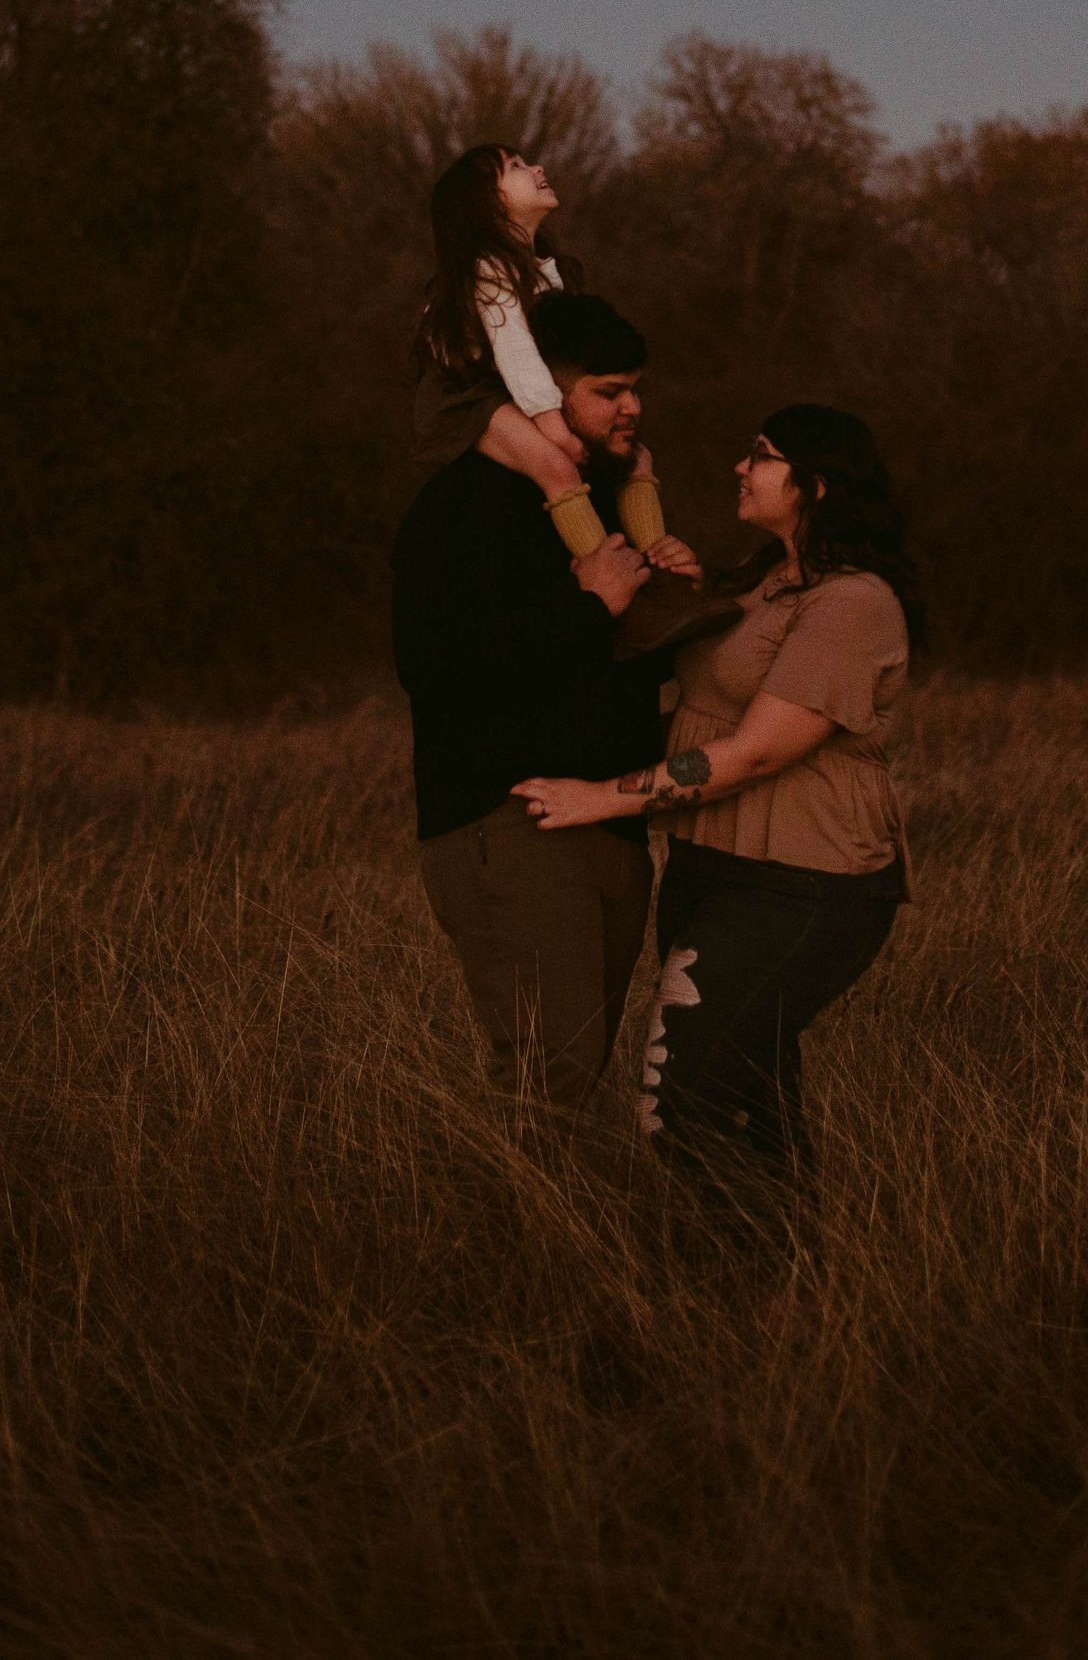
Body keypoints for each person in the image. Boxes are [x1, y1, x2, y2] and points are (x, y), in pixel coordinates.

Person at [513, 404, 921, 1190]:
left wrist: (601, 797)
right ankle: (784, 1261)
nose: (741, 467)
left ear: (817, 485)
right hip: (712, 867)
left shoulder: (852, 604)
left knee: (681, 1101)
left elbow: (758, 750)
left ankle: (734, 1251)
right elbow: (691, 691)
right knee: (752, 1098)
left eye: (763, 455)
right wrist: (670, 585)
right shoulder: (764, 583)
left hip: (804, 886)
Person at [392, 291, 715, 1112]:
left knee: (577, 1075)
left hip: (611, 823)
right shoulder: (462, 504)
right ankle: (504, 1204)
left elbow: (615, 667)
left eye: (636, 388)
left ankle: (545, 1199)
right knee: (549, 1078)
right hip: (512, 821)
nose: (633, 407)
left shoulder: (601, 506)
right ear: (542, 392)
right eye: (610, 391)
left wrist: (671, 598)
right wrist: (590, 605)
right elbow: (437, 670)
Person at [413, 144, 668, 562]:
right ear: (487, 204)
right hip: (466, 396)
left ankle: (660, 565)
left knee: (638, 458)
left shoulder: (546, 270)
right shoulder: (487, 270)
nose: (537, 168)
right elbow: (518, 357)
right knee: (556, 467)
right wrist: (557, 430)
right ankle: (607, 569)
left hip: (521, 393)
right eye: (515, 167)